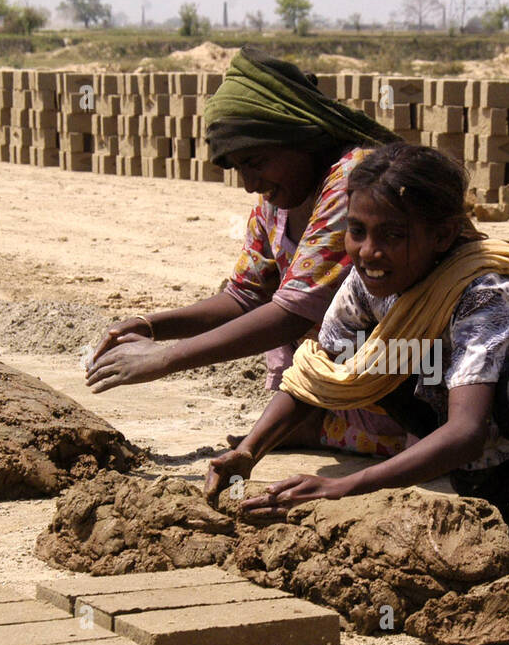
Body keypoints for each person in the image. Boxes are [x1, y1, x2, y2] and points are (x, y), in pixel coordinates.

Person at [204, 141, 509, 521]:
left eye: (393, 236)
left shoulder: (483, 290)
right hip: (506, 414)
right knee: (373, 358)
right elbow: (316, 372)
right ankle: (505, 485)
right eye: (357, 231)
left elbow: (465, 429)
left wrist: (344, 487)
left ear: (441, 238)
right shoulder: (367, 283)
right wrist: (249, 451)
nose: (368, 252)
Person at [85, 46, 406, 456]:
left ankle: (345, 427)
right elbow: (245, 294)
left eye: (256, 162)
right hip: (339, 374)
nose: (249, 184)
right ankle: (318, 421)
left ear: (301, 137)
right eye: (238, 168)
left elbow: (292, 314)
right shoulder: (277, 202)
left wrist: (163, 360)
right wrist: (151, 325)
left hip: (400, 372)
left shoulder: (354, 181)